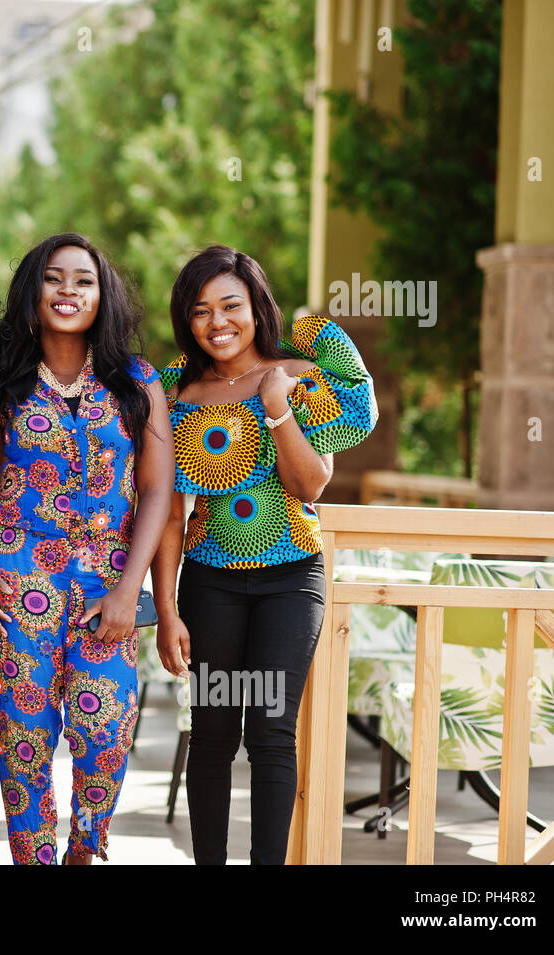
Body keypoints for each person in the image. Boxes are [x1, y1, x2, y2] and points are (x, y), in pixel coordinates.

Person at [151, 244, 378, 864]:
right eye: (200, 310)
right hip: (209, 580)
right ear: (186, 319)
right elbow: (170, 512)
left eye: (232, 305)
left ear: (257, 309)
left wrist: (277, 404)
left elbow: (311, 485)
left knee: (271, 734)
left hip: (291, 578)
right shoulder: (175, 390)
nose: (217, 322)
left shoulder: (299, 377)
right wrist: (167, 609)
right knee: (215, 734)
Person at [0, 233, 173, 865]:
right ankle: (33, 859)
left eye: (83, 280)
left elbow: (158, 493)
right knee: (23, 737)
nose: (68, 291)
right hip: (16, 578)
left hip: (109, 578)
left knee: (106, 729)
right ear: (32, 292)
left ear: (102, 296)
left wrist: (130, 592)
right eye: (54, 279)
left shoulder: (137, 381)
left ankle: (85, 851)